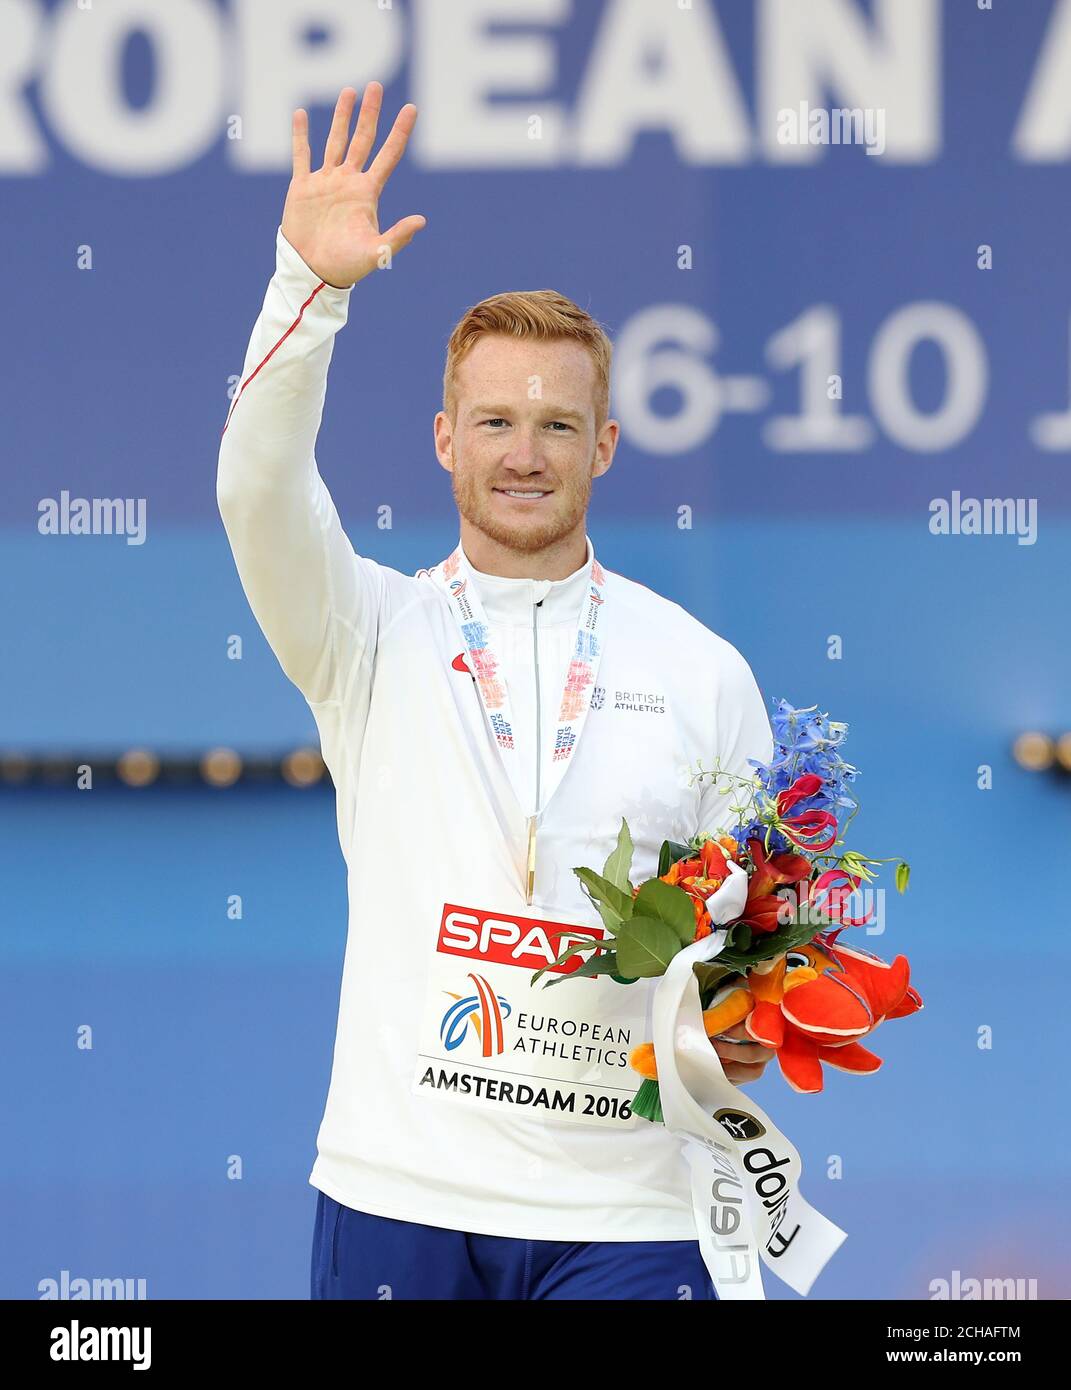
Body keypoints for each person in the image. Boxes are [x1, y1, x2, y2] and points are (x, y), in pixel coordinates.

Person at [217, 83, 776, 1302]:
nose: (525, 453)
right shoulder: (362, 629)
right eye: (496, 421)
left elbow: (753, 917)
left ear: (607, 447)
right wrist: (305, 295)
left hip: (634, 1208)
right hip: (399, 1189)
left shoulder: (702, 668)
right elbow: (257, 491)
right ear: (442, 440)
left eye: (558, 425)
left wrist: (747, 1010)